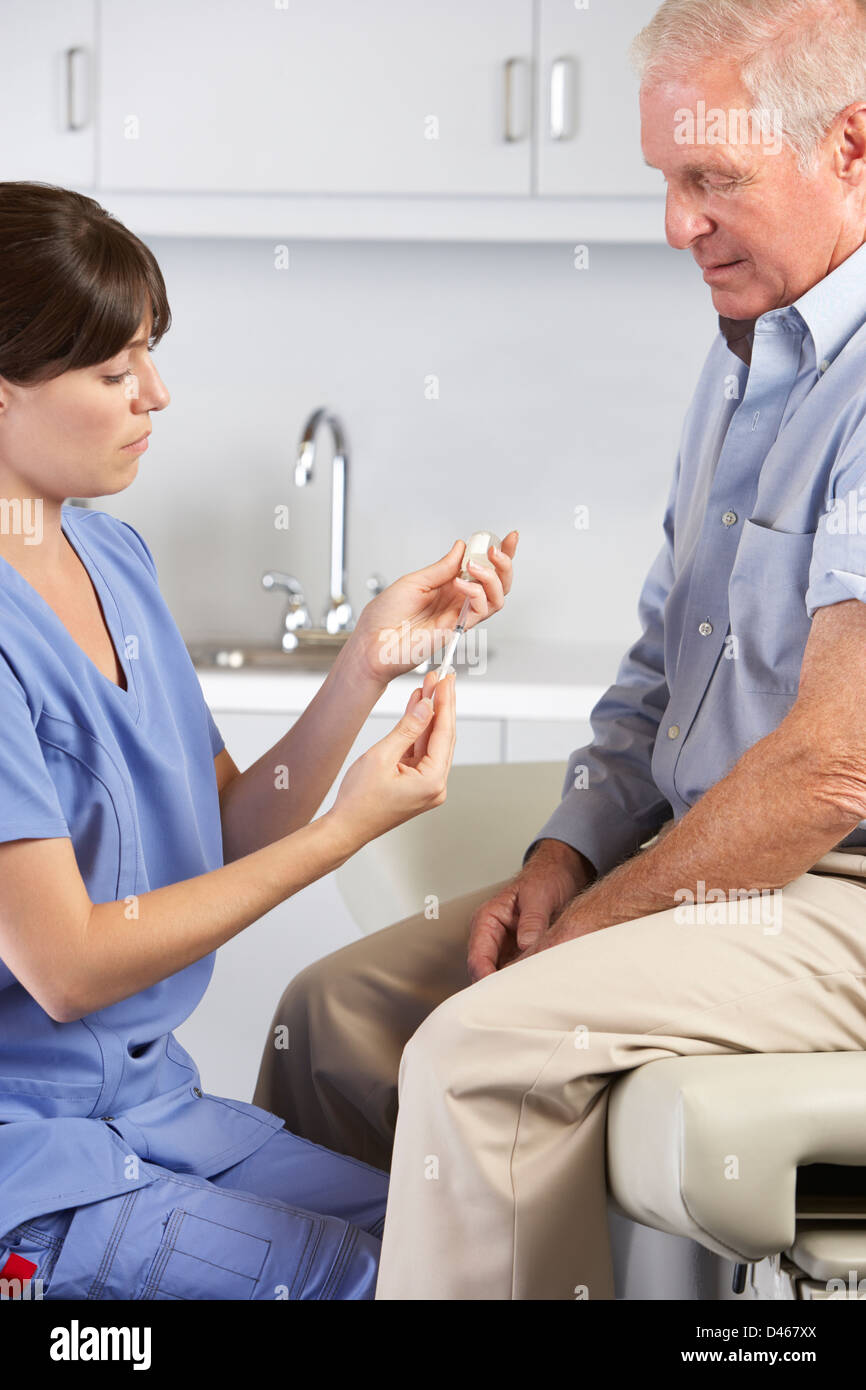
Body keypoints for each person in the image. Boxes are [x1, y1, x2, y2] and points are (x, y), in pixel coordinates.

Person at [254, 0, 866, 1300]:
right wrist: (563, 852)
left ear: (850, 146)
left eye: (711, 180)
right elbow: (661, 663)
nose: (673, 226)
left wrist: (597, 919)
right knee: (330, 1018)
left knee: (482, 1050)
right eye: (662, 179)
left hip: (838, 892)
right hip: (718, 871)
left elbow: (828, 771)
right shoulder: (750, 350)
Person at [0, 179, 518, 1300]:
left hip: (158, 1114)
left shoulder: (114, 559)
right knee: (368, 1279)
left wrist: (365, 662)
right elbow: (67, 966)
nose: (157, 393)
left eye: (150, 356)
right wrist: (347, 833)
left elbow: (224, 826)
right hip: (34, 1165)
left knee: (468, 1243)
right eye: (113, 372)